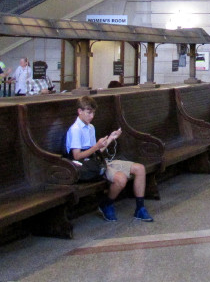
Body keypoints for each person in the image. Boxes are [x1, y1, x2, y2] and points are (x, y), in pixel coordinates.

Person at [65, 95, 154, 223]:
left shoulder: (90, 127)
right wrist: (96, 146)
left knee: (140, 169)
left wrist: (111, 138)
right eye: (89, 112)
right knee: (121, 179)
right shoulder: (75, 130)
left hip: (97, 161)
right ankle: (106, 204)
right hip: (87, 167)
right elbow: (77, 156)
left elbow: (97, 151)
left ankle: (140, 208)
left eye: (93, 113)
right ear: (80, 111)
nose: (92, 116)